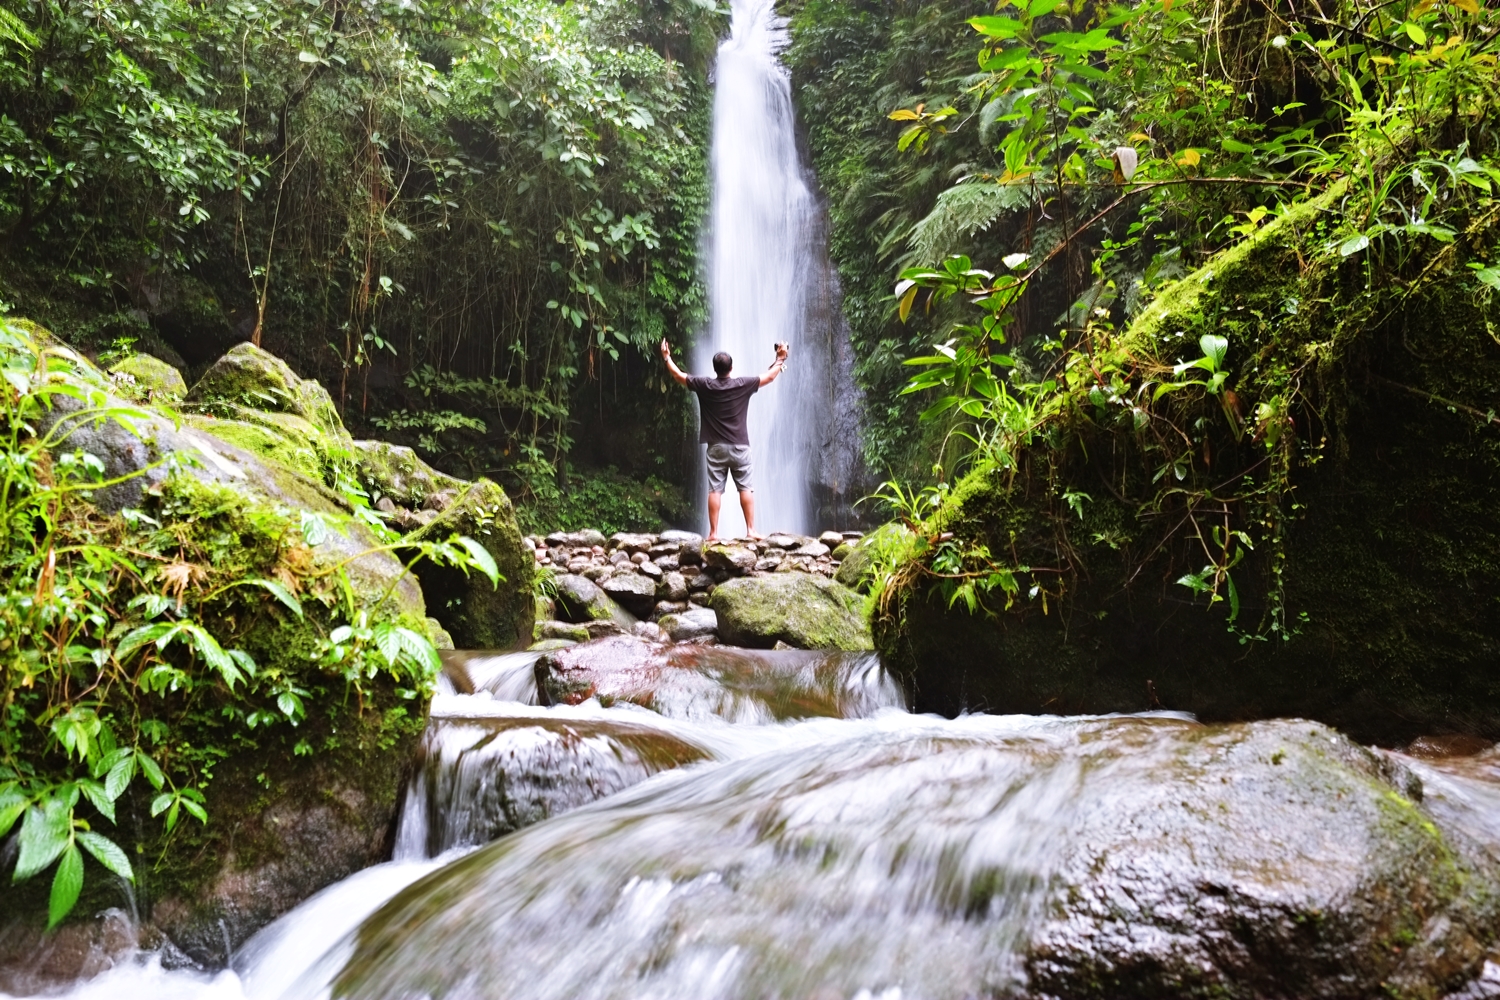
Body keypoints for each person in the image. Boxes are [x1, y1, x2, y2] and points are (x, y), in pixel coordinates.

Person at [659, 338, 789, 540]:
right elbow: (770, 377)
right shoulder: (742, 384)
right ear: (732, 367)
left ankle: (713, 533)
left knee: (715, 489)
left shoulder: (704, 385)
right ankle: (751, 530)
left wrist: (667, 357)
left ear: (715, 369)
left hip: (716, 447)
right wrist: (780, 358)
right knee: (745, 487)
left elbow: (678, 375)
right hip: (740, 446)